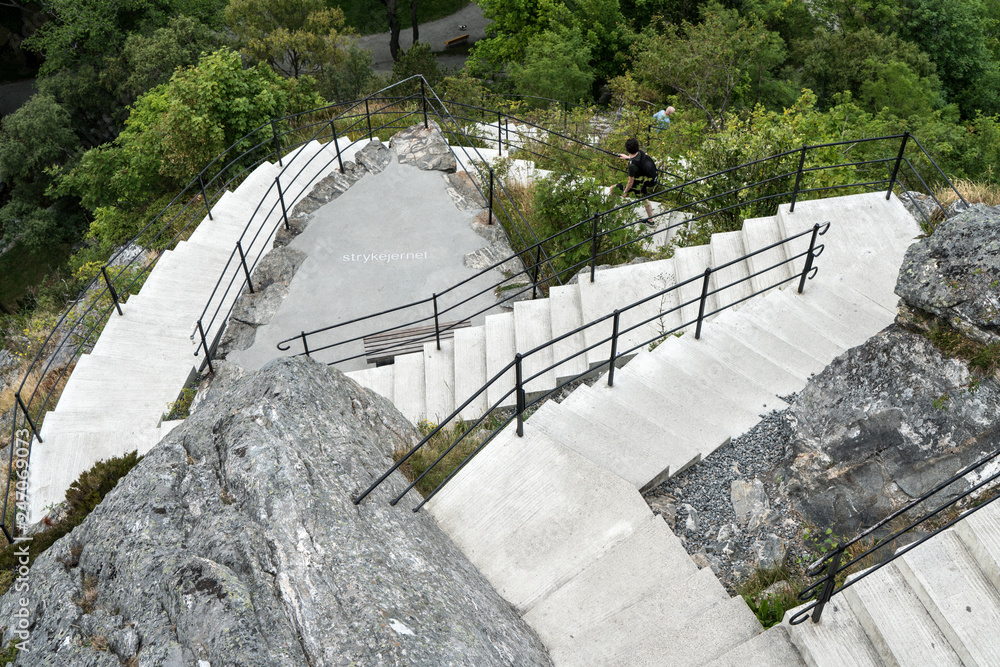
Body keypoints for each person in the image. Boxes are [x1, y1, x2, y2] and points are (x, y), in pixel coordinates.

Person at [610, 137, 657, 225]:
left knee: (613, 188)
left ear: (627, 150)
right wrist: (628, 158)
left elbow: (630, 182)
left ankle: (609, 210)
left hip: (635, 183)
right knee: (645, 199)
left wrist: (625, 192)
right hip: (643, 181)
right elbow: (637, 160)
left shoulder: (632, 166)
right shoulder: (641, 152)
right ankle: (651, 220)